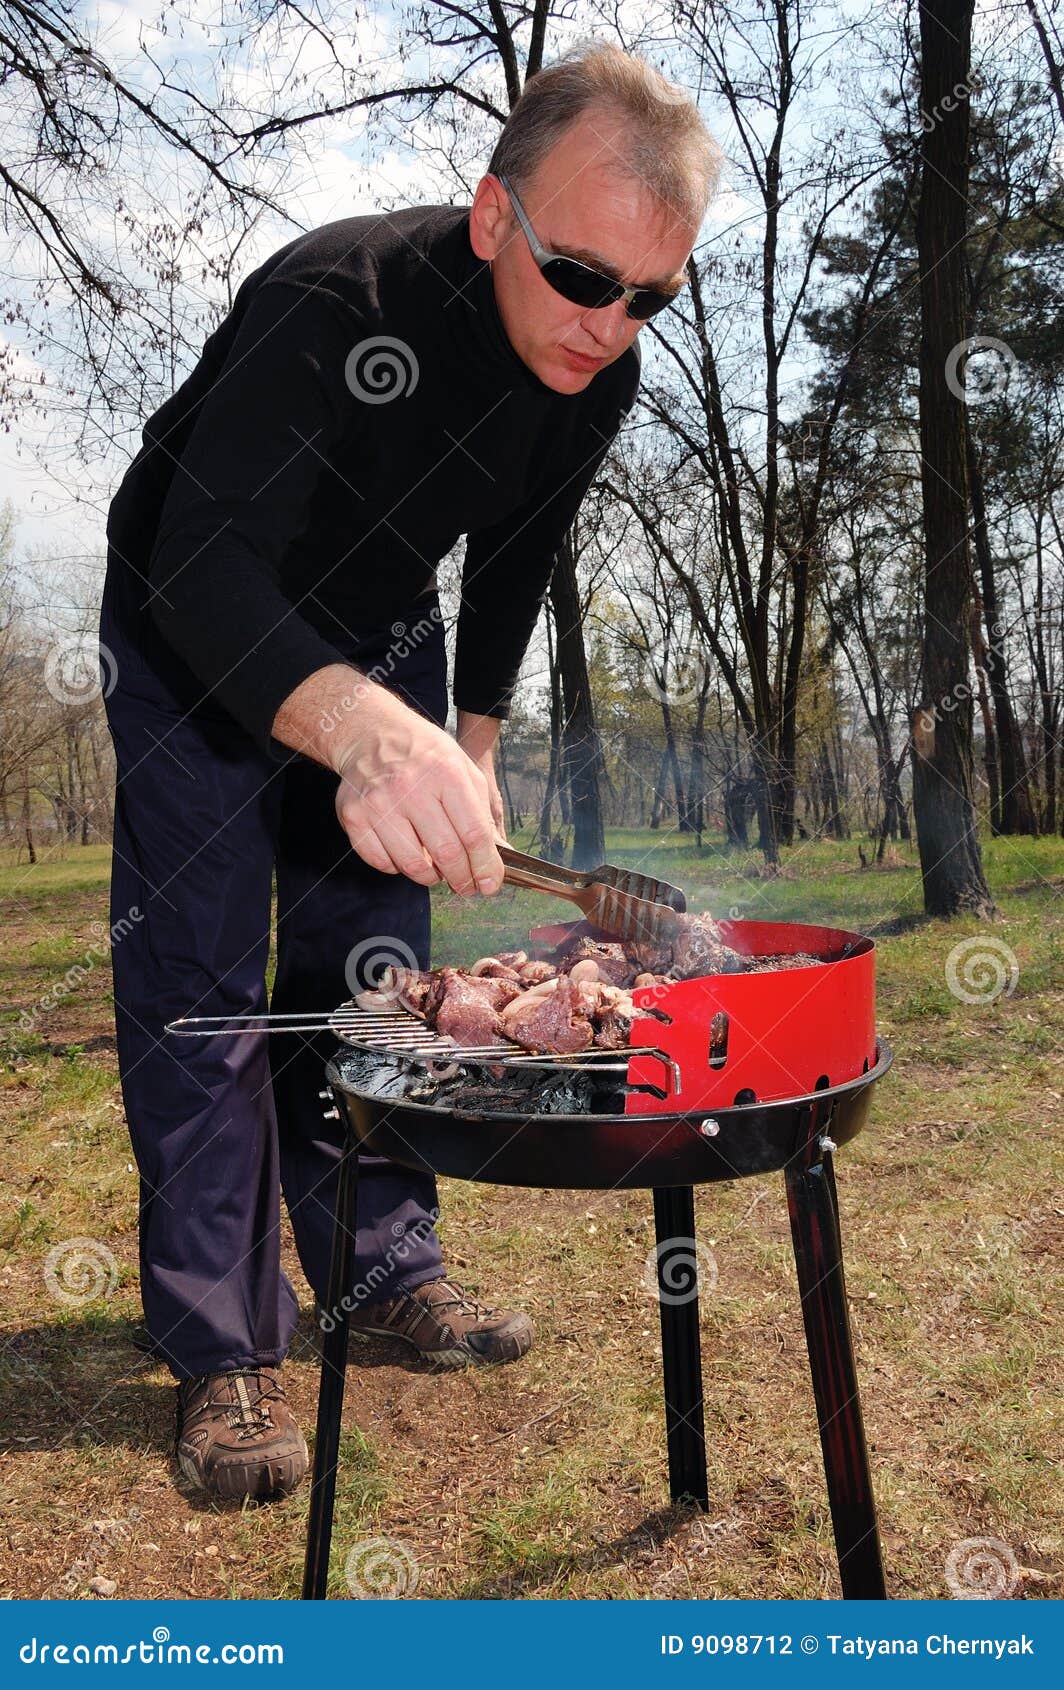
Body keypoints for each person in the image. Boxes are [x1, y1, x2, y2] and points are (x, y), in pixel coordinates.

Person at [100, 41, 721, 1503]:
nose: (610, 325)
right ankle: (220, 1340)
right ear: (497, 216)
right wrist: (362, 732)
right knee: (203, 979)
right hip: (198, 616)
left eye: (651, 297)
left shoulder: (595, 368)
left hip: (383, 631)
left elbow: (514, 555)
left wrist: (471, 741)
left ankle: (380, 1264)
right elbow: (202, 561)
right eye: (585, 277)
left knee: (377, 973)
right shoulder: (336, 302)